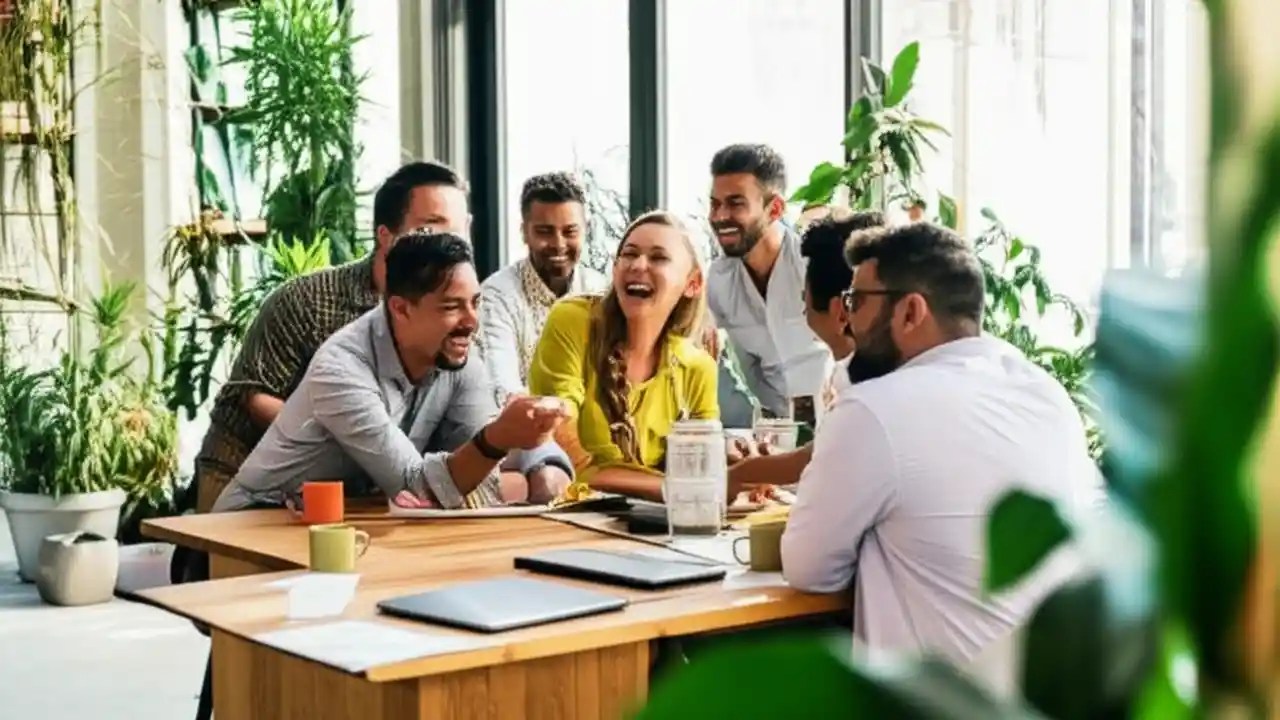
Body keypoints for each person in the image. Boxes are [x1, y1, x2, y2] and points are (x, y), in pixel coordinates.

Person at [780, 221, 1100, 671]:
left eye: (857, 301)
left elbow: (808, 568)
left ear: (910, 312)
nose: (847, 318)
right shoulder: (1044, 391)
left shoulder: (875, 409)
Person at [213, 229, 574, 513]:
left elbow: (476, 468)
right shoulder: (340, 368)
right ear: (401, 309)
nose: (472, 322)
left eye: (475, 303)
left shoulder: (457, 356)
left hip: (354, 522)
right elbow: (417, 486)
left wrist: (540, 458)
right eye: (452, 307)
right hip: (259, 522)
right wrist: (498, 438)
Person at [188, 161, 473, 514]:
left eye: (460, 233)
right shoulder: (308, 300)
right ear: (386, 237)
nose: (450, 245)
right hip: (248, 471)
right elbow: (254, 395)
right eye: (430, 230)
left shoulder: (459, 317)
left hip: (361, 481)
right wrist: (356, 434)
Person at [527, 211, 719, 502]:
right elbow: (569, 460)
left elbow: (705, 470)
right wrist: (676, 488)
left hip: (652, 522)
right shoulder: (572, 321)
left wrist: (741, 468)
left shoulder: (697, 366)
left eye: (658, 258)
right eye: (629, 254)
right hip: (570, 513)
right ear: (615, 270)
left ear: (692, 284)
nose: (638, 265)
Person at [727, 207, 886, 493]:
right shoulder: (873, 370)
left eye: (804, 298)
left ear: (840, 311)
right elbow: (820, 456)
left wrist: (731, 479)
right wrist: (759, 469)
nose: (801, 309)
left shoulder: (858, 389)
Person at [705, 143, 832, 423]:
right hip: (769, 434)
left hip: (837, 423)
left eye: (736, 203)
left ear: (774, 209)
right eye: (715, 204)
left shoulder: (814, 265)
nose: (719, 216)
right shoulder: (716, 283)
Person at [476, 172, 608, 405]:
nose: (559, 244)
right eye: (545, 232)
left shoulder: (601, 291)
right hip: (524, 433)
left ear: (585, 231)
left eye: (570, 232)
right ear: (524, 232)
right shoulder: (496, 295)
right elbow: (503, 390)